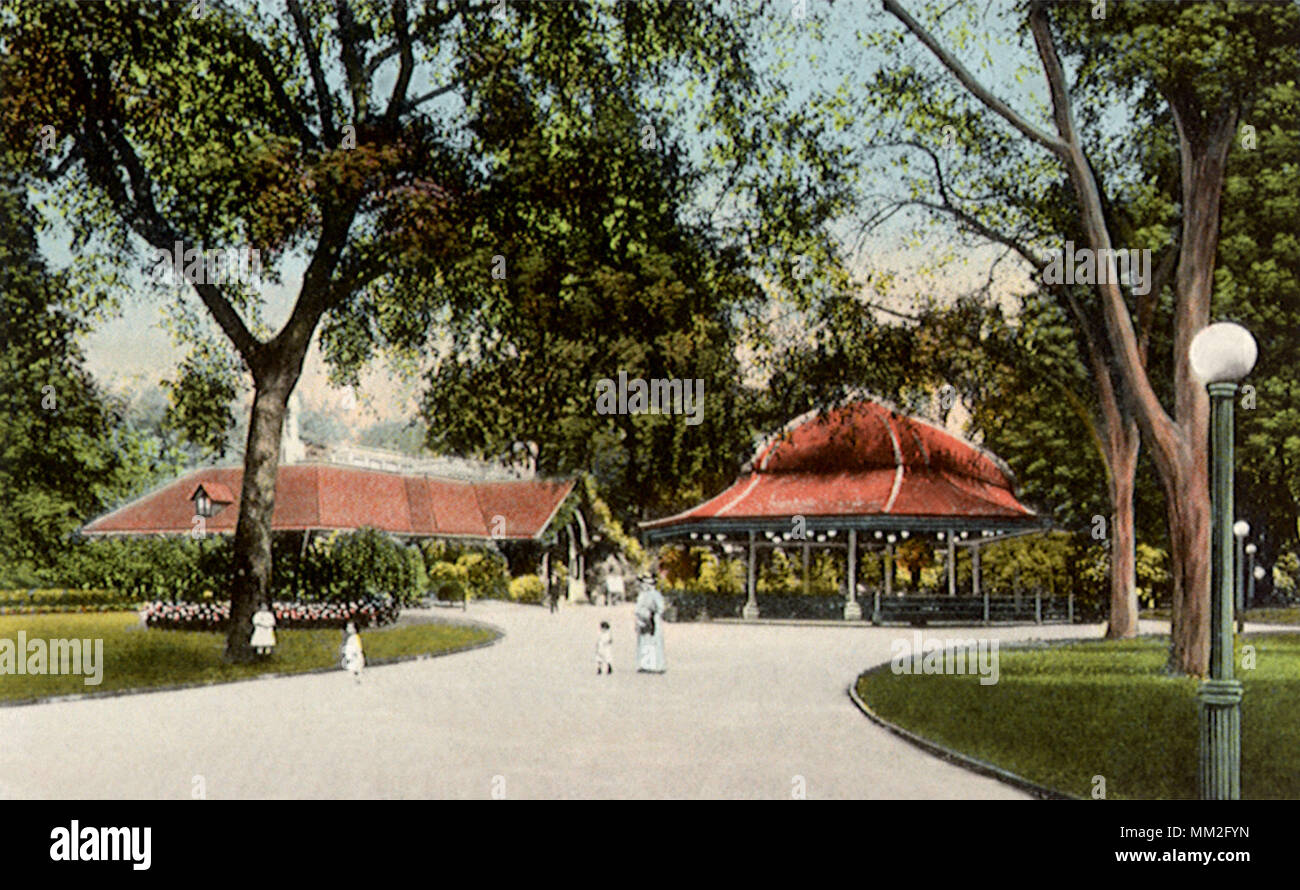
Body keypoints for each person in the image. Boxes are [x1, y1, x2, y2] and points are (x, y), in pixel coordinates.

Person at [633, 573, 666, 673]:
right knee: (644, 642)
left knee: (653, 642)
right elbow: (638, 608)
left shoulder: (655, 594)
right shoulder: (642, 595)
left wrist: (651, 613)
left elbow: (660, 608)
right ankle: (646, 664)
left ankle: (655, 666)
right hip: (642, 620)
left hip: (651, 620)